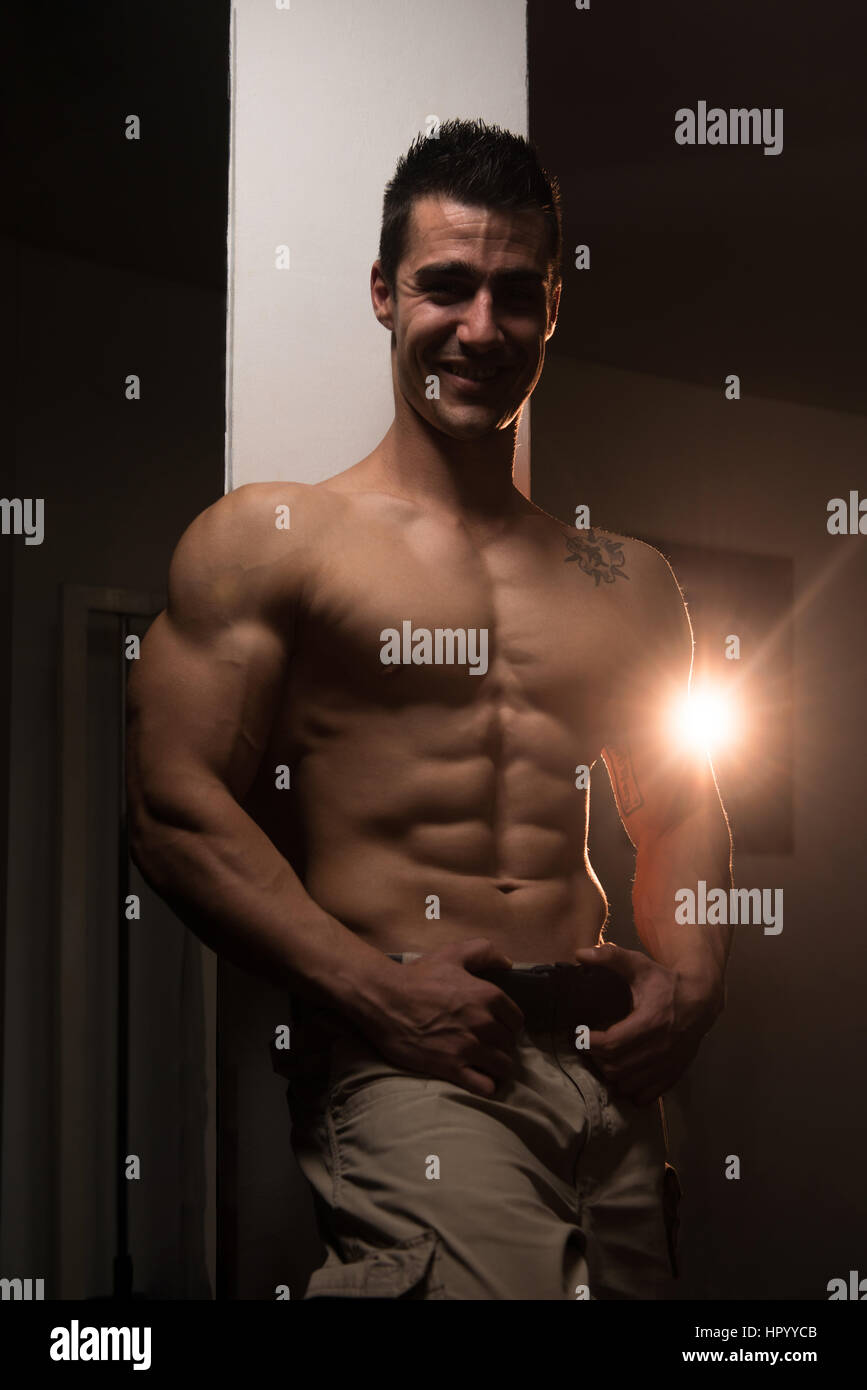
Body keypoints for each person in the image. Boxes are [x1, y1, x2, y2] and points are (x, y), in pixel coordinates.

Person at [126, 118, 733, 1300]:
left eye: (517, 295)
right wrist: (370, 988)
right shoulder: (273, 541)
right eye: (445, 287)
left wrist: (695, 977)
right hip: (418, 1064)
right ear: (381, 292)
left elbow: (680, 807)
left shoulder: (630, 580)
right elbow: (172, 808)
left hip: (609, 1071)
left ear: (554, 308)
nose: (480, 329)